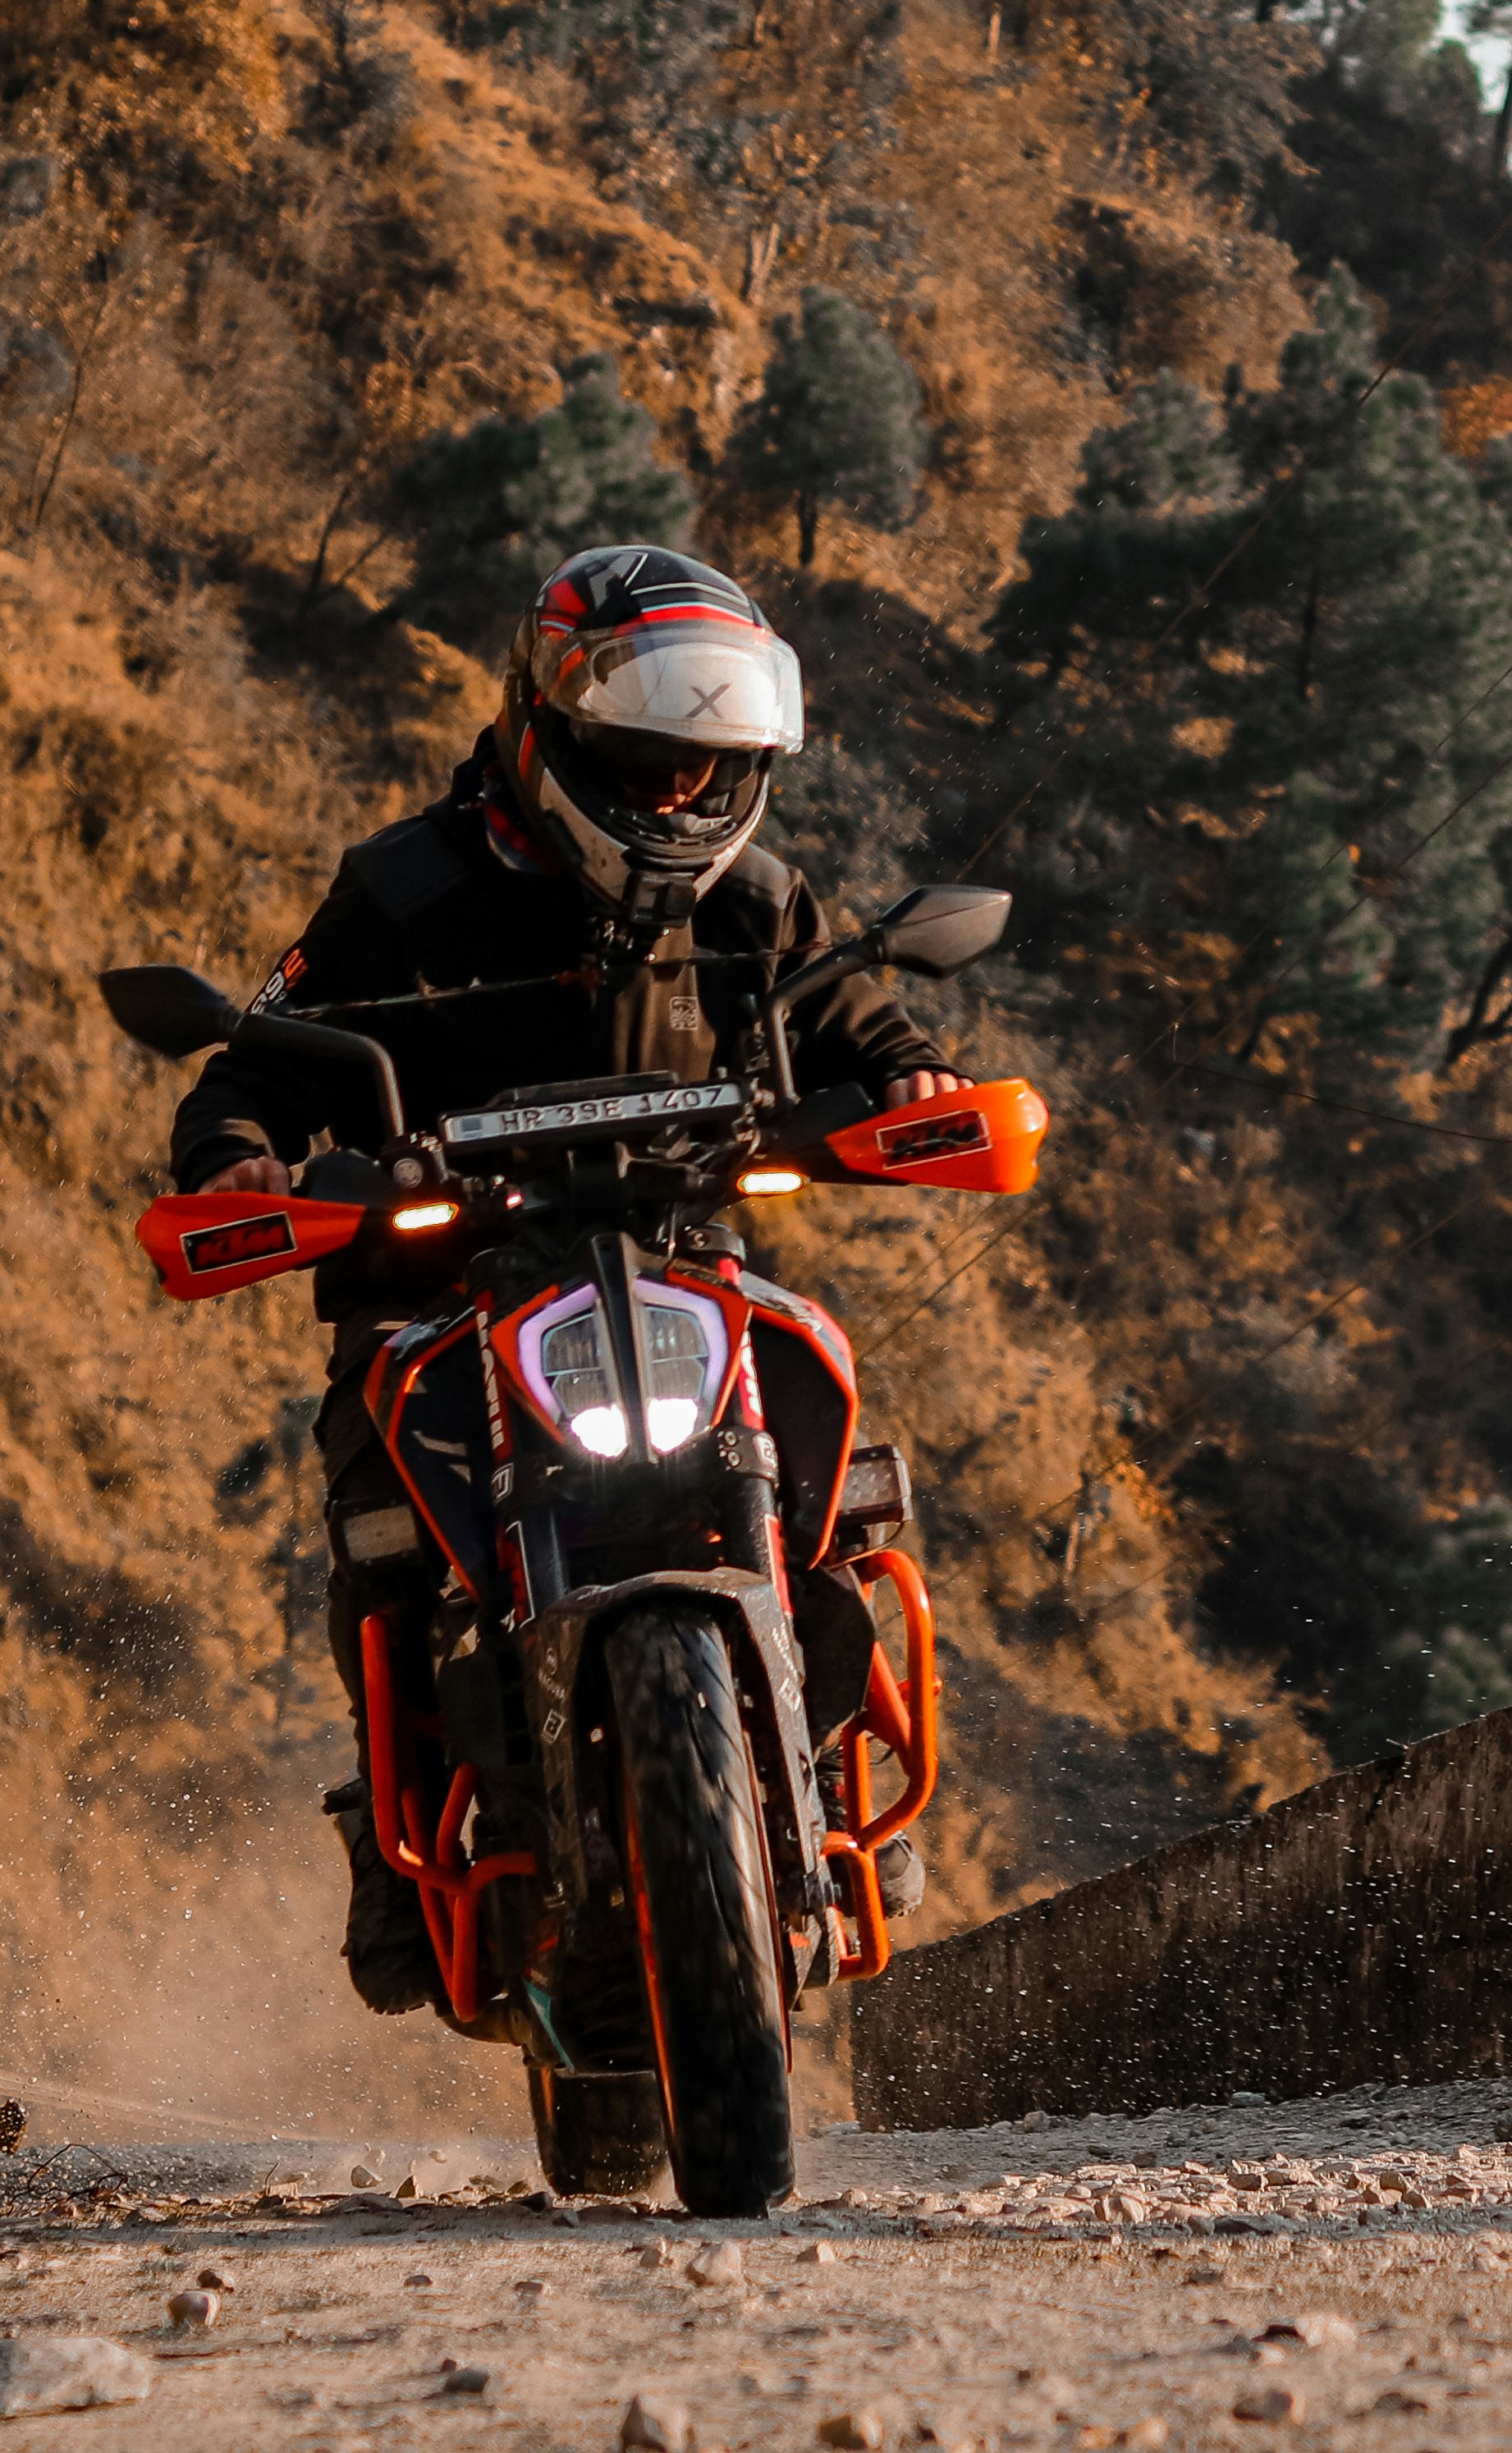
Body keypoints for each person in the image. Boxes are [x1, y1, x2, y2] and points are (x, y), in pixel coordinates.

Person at [170, 546, 954, 2015]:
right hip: (446, 1283)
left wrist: (915, 1078)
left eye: (706, 771)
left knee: (823, 1421)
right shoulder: (401, 892)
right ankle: (395, 1831)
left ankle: (845, 1756)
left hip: (675, 1266)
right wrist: (242, 1163)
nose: (677, 800)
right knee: (381, 1513)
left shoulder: (751, 899)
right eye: (647, 767)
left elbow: (857, 1013)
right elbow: (257, 1069)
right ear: (554, 731)